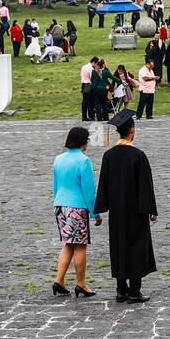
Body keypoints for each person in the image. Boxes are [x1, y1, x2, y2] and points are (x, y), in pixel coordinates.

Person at [95, 110, 157, 303]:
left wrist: (102, 207)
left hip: (117, 211)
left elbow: (103, 184)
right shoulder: (138, 156)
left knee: (119, 247)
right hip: (136, 211)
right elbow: (145, 186)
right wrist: (151, 210)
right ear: (132, 131)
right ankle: (134, 290)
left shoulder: (108, 156)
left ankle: (121, 289)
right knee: (137, 247)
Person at [51, 126, 101, 298]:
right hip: (77, 207)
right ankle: (81, 283)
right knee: (80, 245)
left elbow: (55, 186)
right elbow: (89, 190)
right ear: (82, 141)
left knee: (68, 244)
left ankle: (59, 280)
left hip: (60, 205)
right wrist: (95, 213)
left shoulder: (58, 159)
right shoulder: (84, 161)